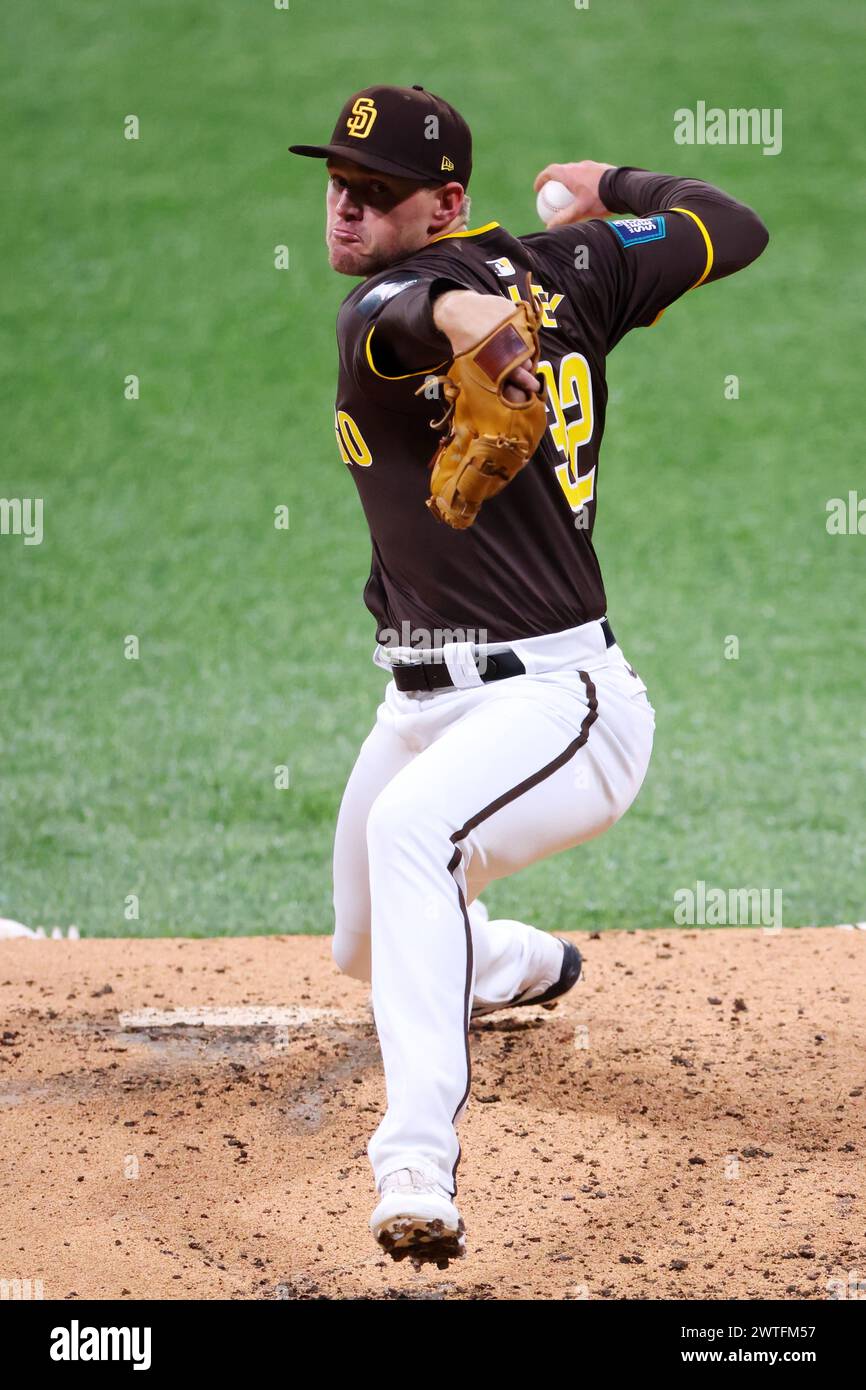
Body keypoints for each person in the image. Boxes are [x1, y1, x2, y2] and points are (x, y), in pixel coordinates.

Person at [289, 83, 769, 1268]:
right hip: (419, 703)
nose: (346, 211)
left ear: (446, 201)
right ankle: (507, 962)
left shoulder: (411, 301)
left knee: (412, 839)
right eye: (338, 186)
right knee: (367, 939)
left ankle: (415, 1162)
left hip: (561, 705)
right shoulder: (558, 275)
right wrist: (616, 198)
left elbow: (435, 307)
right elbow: (716, 218)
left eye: (377, 195)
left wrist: (494, 316)